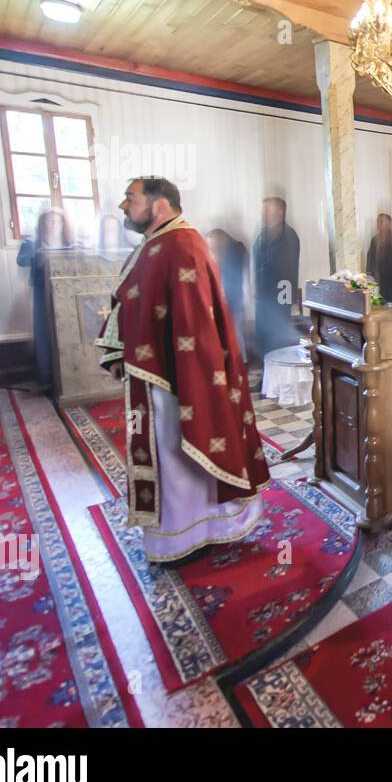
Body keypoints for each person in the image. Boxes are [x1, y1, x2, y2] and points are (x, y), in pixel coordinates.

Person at [95, 177, 269, 564]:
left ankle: (184, 535)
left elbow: (194, 323)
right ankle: (201, 528)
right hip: (161, 368)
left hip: (175, 374)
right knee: (172, 448)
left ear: (157, 206)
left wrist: (189, 375)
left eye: (130, 198)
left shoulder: (180, 245)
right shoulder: (160, 244)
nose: (124, 206)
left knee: (177, 447)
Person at [16, 207, 74, 391]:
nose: (51, 225)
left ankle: (72, 376)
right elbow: (21, 261)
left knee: (69, 330)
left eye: (56, 221)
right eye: (47, 221)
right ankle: (47, 377)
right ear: (41, 225)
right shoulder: (31, 243)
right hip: (42, 292)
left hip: (67, 294)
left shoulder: (70, 243)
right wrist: (38, 253)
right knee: (43, 333)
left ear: (63, 224)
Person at [252, 196, 300, 358]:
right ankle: (267, 375)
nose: (262, 213)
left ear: (280, 212)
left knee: (276, 343)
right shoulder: (262, 235)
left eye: (267, 209)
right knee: (263, 341)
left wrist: (285, 302)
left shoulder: (287, 236)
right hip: (263, 298)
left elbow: (283, 270)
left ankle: (278, 376)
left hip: (278, 297)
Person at [206, 228, 249, 355]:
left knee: (236, 331)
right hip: (228, 299)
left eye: (213, 245)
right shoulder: (224, 254)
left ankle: (241, 358)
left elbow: (235, 280)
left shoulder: (234, 254)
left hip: (234, 300)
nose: (211, 248)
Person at [366, 213, 392, 304]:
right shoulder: (374, 240)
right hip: (377, 279)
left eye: (381, 222)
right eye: (377, 221)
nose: (378, 224)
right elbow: (370, 257)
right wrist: (369, 274)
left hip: (390, 281)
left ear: (388, 224)